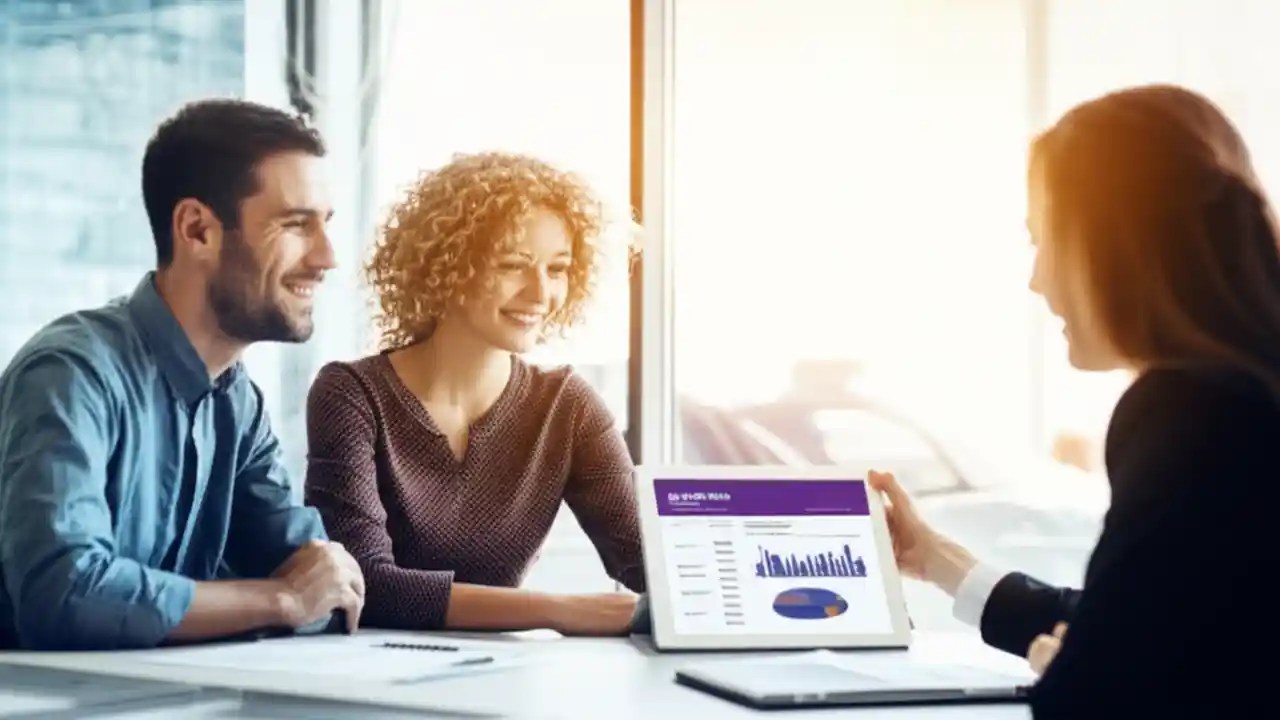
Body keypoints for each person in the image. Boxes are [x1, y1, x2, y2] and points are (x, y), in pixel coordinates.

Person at [870, 84, 1280, 717]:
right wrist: (941, 561)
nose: (1037, 280)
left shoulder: (1187, 411)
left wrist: (1063, 670)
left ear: (1110, 244)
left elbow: (1094, 690)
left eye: (1043, 239)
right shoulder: (1248, 397)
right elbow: (1139, 626)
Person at [0, 99, 365, 651]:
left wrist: (292, 593)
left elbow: (327, 586)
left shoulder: (236, 401)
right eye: (295, 224)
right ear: (197, 230)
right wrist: (279, 601)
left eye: (326, 225)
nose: (327, 256)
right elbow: (64, 593)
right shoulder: (69, 376)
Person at [305, 152, 643, 636]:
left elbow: (646, 561)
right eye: (513, 265)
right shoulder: (352, 394)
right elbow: (364, 586)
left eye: (558, 269)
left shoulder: (567, 408)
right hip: (369, 679)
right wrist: (557, 610)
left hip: (497, 681)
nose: (540, 293)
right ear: (448, 264)